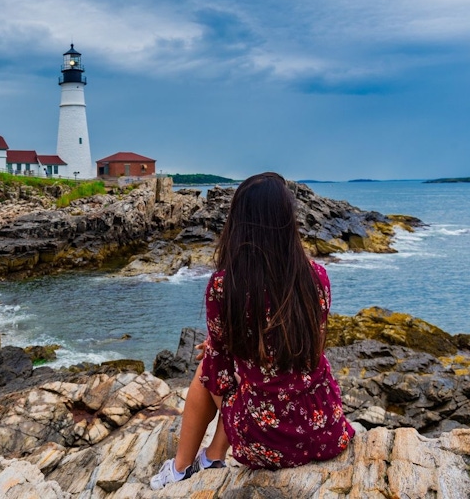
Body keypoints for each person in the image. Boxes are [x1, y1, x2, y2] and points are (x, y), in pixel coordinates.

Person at [151, 172, 354, 490]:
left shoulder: (224, 284)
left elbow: (217, 375)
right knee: (230, 365)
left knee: (208, 367)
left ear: (239, 222)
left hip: (265, 441)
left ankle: (180, 468)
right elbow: (309, 346)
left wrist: (222, 349)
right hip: (326, 429)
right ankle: (211, 457)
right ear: (288, 220)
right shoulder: (317, 277)